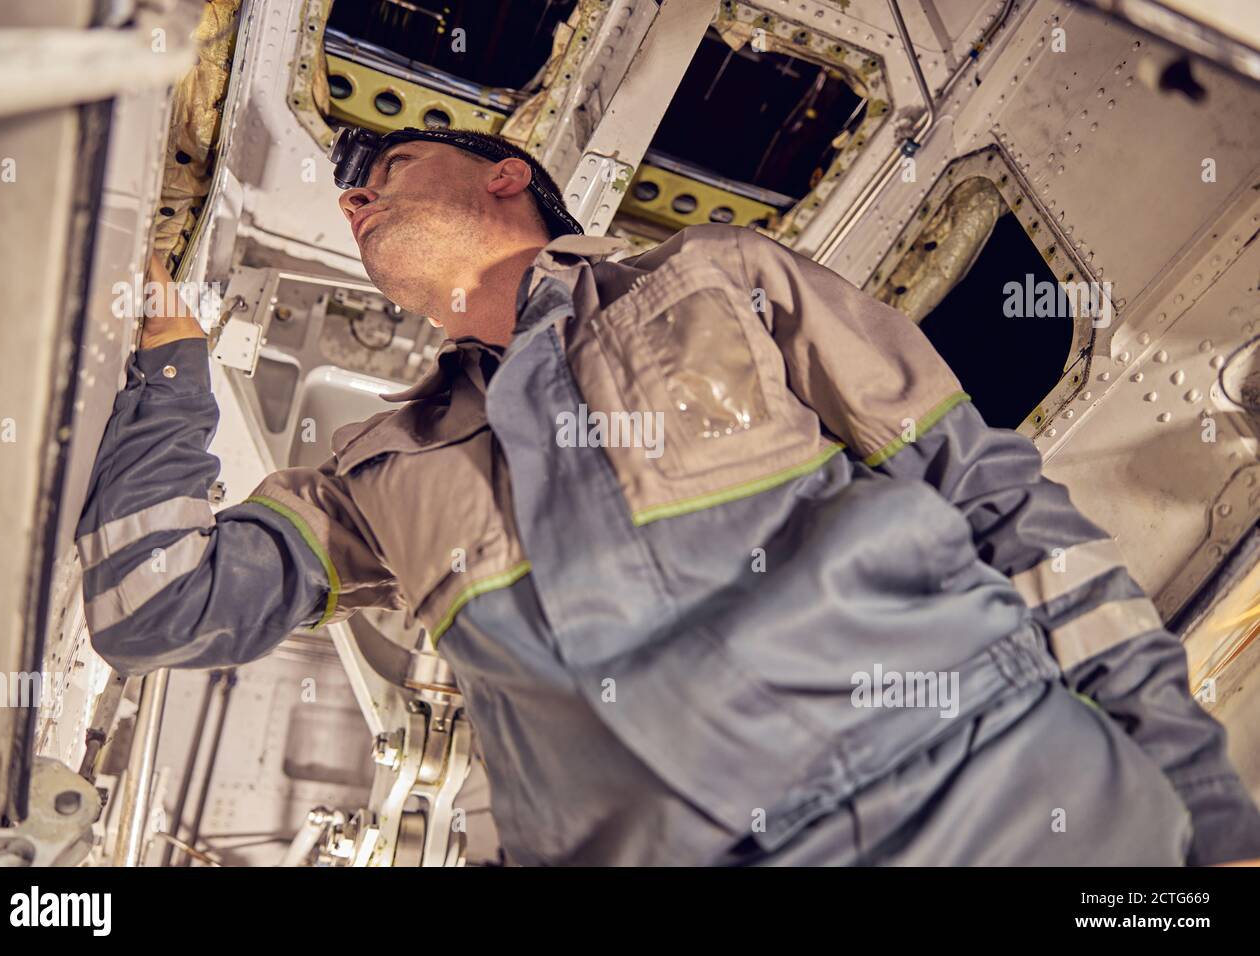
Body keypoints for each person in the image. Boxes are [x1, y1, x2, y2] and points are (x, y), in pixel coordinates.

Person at [76, 127, 1260, 865]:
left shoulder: (720, 277)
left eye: (385, 170)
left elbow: (999, 502)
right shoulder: (373, 473)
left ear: (506, 176)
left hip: (1002, 806)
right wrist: (168, 357)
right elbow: (150, 604)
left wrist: (1206, 810)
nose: (355, 202)